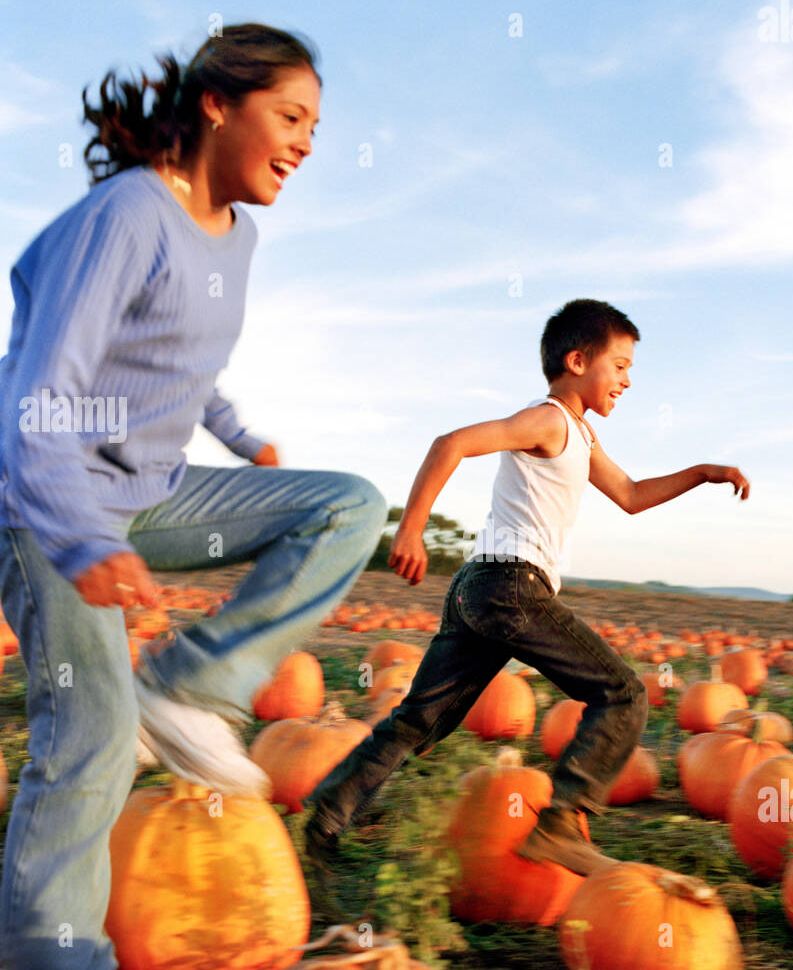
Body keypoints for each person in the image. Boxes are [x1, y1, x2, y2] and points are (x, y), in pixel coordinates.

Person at [0, 24, 387, 970]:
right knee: (85, 731)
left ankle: (187, 690)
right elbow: (44, 391)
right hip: (51, 498)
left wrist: (239, 434)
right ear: (218, 106)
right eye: (291, 116)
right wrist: (79, 536)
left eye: (315, 126)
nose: (306, 143)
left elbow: (178, 358)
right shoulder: (124, 215)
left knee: (346, 504)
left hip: (152, 491)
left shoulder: (234, 236)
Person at [305, 298, 749, 874]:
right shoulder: (548, 420)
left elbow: (633, 496)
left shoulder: (582, 438)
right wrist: (410, 529)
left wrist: (703, 474)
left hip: (481, 590)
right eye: (620, 366)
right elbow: (450, 444)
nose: (628, 380)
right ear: (577, 361)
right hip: (511, 587)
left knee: (417, 720)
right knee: (623, 695)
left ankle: (323, 821)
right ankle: (561, 824)